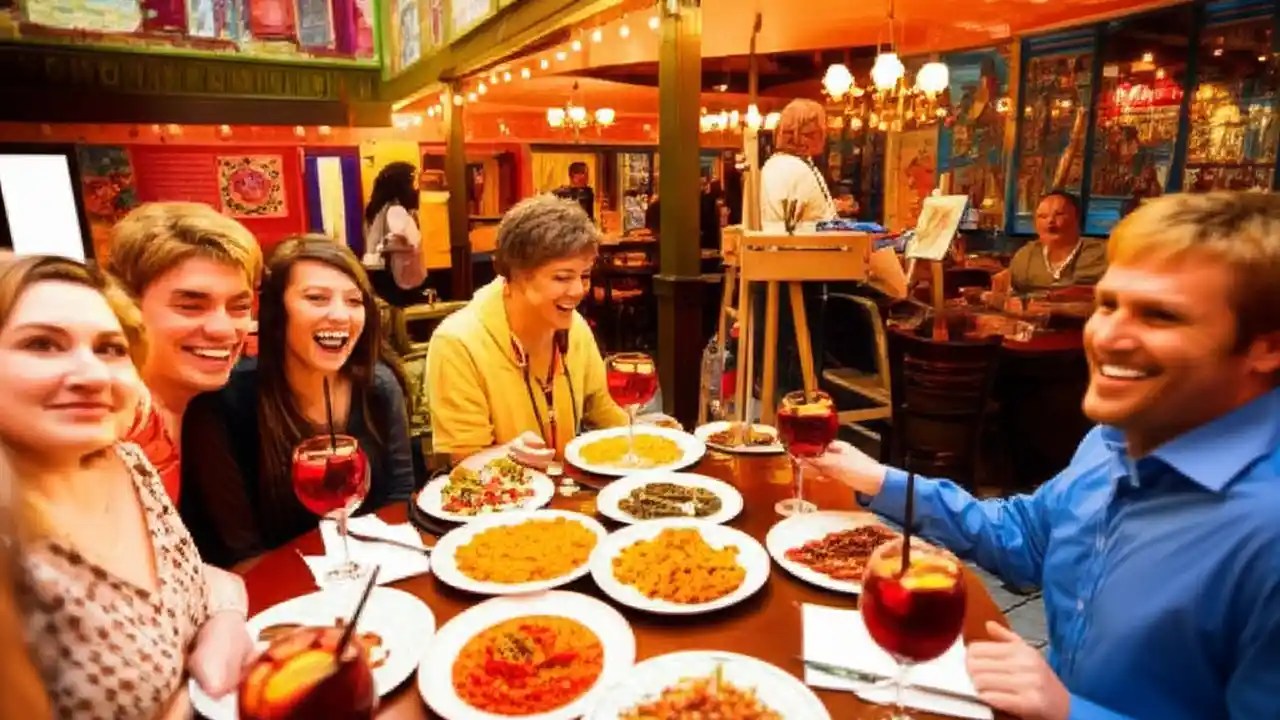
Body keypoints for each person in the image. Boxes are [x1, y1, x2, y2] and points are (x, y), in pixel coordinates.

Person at [805, 192, 1280, 720]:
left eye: (1160, 316)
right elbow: (1028, 537)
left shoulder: (1265, 531)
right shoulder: (1113, 439)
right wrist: (880, 479)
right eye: (1106, 304)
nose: (1107, 337)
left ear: (1266, 347)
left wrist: (1069, 711)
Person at [0, 256, 253, 719]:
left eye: (109, 348)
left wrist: (226, 620)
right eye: (42, 344)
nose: (93, 374)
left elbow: (198, 580)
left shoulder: (127, 462)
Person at [181, 237, 414, 567]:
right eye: (316, 298)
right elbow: (241, 552)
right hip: (272, 592)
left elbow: (397, 502)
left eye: (353, 301)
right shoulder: (225, 403)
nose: (340, 315)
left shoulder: (377, 386)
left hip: (374, 574)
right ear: (278, 311)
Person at [426, 196, 627, 467]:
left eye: (585, 275)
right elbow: (465, 461)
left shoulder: (574, 327)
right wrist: (508, 453)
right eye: (562, 277)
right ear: (515, 275)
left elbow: (606, 415)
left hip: (569, 498)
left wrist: (653, 435)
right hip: (500, 502)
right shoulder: (457, 343)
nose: (579, 290)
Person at [105, 202, 262, 505]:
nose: (223, 329)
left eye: (239, 307)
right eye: (190, 306)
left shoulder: (206, 405)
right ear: (126, 306)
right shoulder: (114, 420)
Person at [995, 191, 1107, 295]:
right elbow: (1010, 291)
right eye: (1042, 217)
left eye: (1059, 214)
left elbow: (1087, 294)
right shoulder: (1027, 255)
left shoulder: (1097, 253)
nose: (1050, 221)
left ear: (1077, 218)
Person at [760, 99, 836, 229]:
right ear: (810, 133)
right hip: (806, 248)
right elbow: (797, 226)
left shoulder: (778, 164)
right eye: (823, 128)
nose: (826, 133)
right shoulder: (796, 168)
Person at [362, 161, 428, 307]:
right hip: (398, 280)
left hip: (380, 275)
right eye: (413, 185)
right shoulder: (396, 211)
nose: (416, 191)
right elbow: (405, 239)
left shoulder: (378, 210)